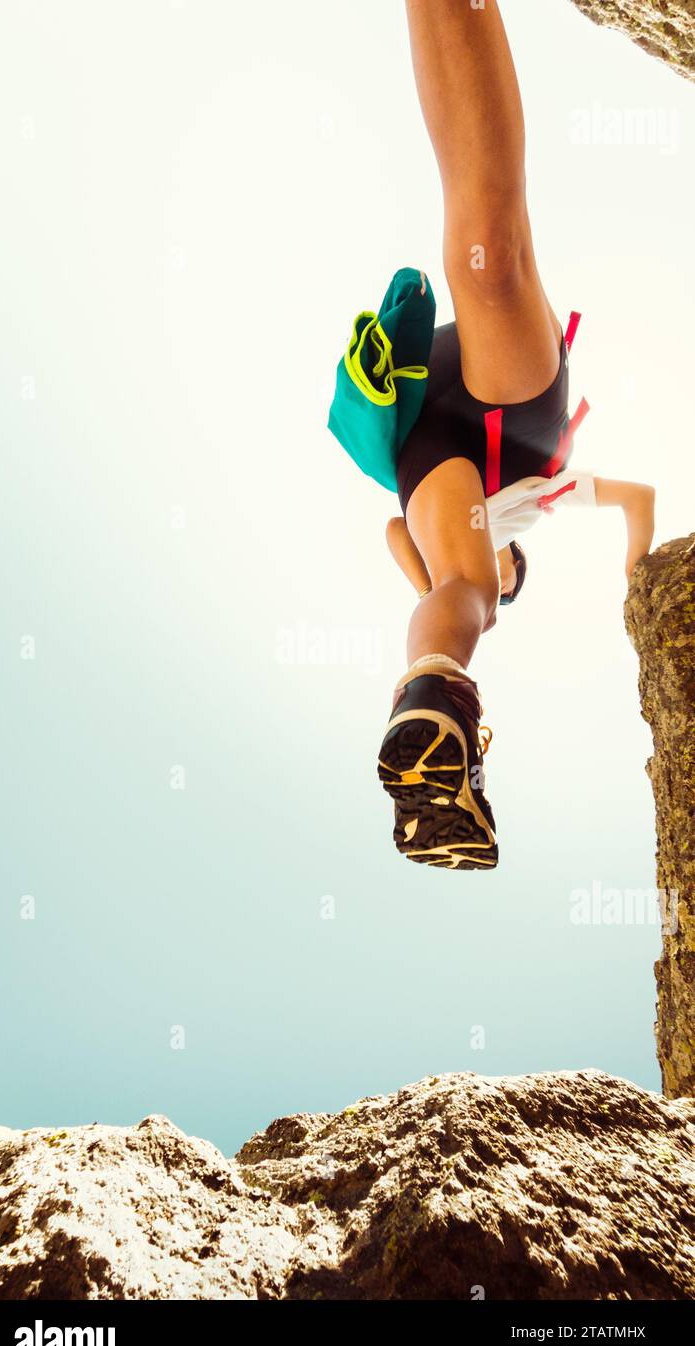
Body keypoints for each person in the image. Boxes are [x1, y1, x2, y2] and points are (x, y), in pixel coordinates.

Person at [376, 0, 655, 870]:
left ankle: (435, 704)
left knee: (462, 590)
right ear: (519, 558)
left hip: (431, 445)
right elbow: (636, 497)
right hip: (517, 423)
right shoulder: (547, 502)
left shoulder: (462, 570)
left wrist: (447, 579)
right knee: (490, 248)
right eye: (512, 574)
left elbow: (395, 533)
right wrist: (635, 571)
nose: (504, 573)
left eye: (503, 580)